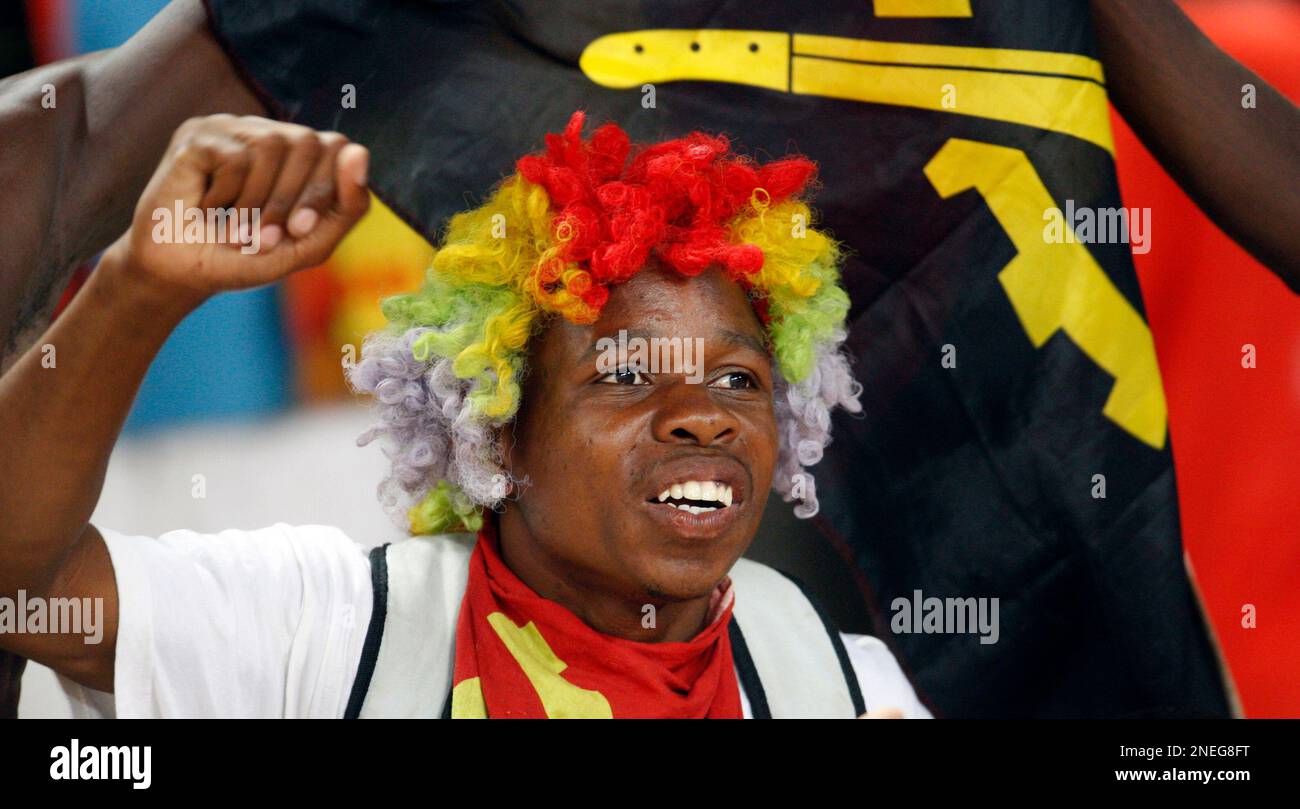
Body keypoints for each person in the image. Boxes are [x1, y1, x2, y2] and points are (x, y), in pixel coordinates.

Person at [0, 108, 931, 718]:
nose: (705, 417)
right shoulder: (321, 631)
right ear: (496, 432)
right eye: (626, 372)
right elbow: (23, 588)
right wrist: (134, 290)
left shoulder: (845, 689)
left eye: (739, 381)